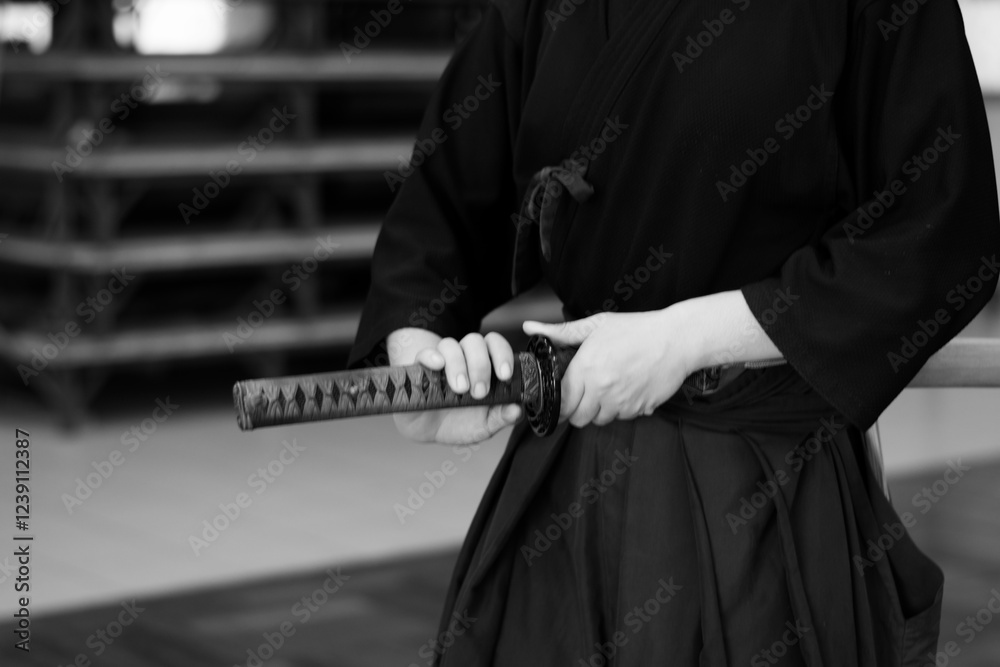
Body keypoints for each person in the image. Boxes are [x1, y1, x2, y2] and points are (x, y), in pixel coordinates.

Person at [349, 0, 1000, 664]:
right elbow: (444, 202)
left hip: (765, 482)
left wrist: (688, 338)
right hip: (574, 471)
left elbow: (942, 228)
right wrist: (418, 347)